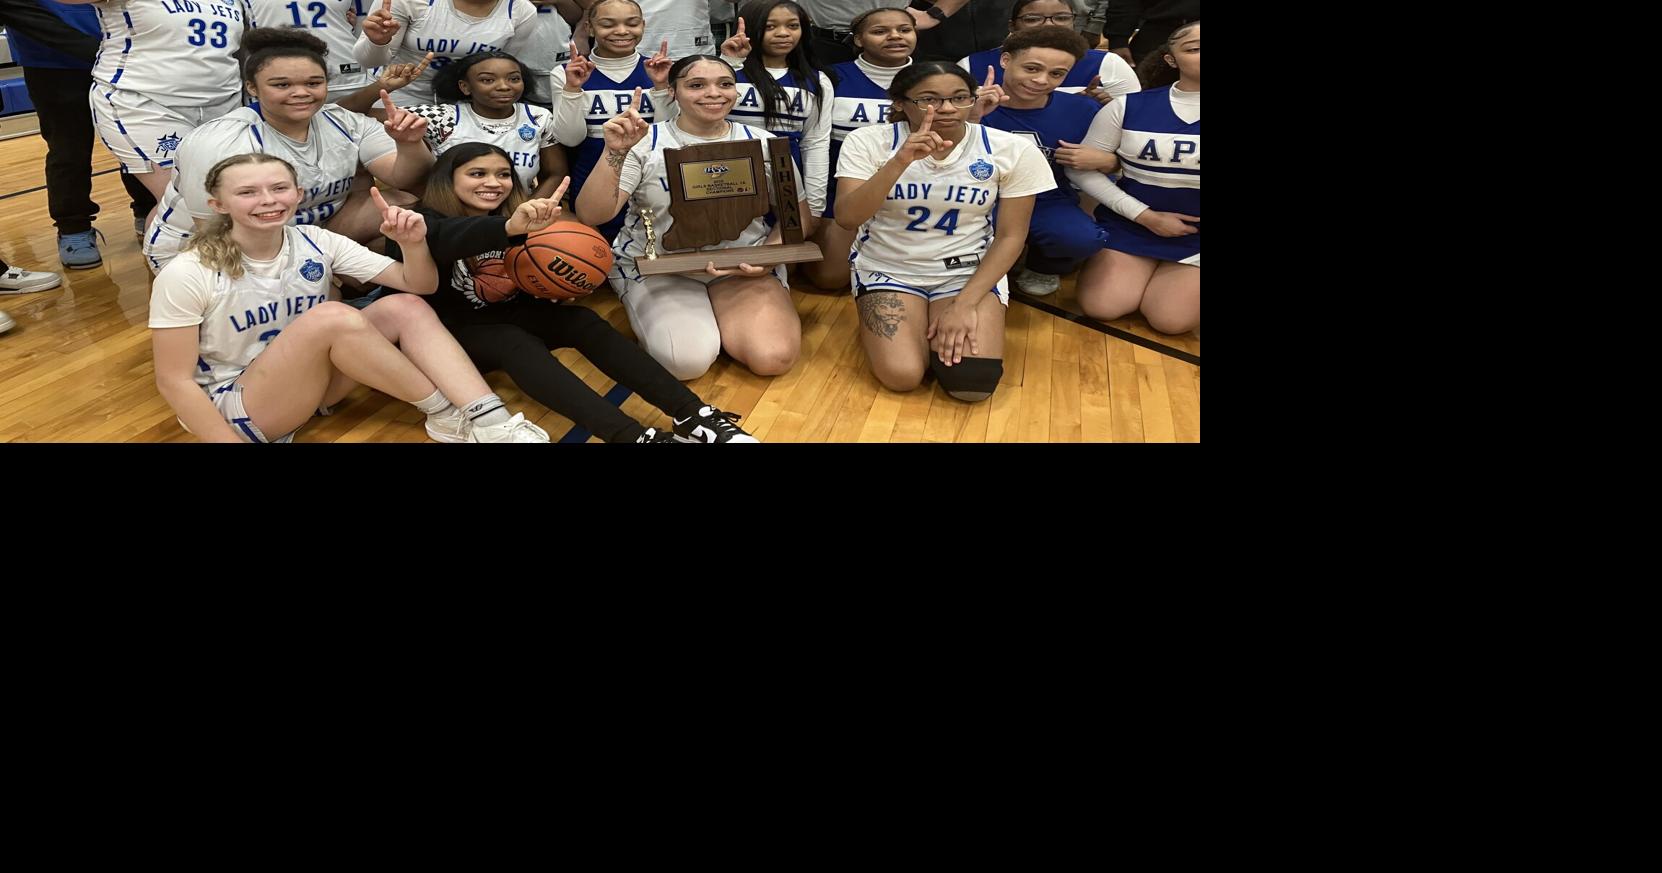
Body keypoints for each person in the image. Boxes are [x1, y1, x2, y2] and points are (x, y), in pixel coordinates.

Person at [150, 152, 551, 442]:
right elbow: (173, 381)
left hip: (311, 381)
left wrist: (412, 244)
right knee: (332, 316)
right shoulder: (188, 272)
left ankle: (491, 419)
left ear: (298, 193)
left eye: (278, 188)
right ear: (218, 205)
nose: (268, 200)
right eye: (248, 193)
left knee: (403, 306)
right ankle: (446, 413)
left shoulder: (314, 240)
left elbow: (419, 285)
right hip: (241, 406)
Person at [392, 143, 759, 441]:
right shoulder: (418, 220)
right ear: (447, 180)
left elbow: (541, 270)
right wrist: (508, 226)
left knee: (582, 320)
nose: (494, 182)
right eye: (477, 174)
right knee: (515, 342)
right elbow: (439, 239)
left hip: (508, 313)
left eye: (503, 174)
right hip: (450, 333)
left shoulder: (519, 214)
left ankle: (693, 416)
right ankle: (630, 436)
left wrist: (560, 280)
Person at [574, 57, 808, 381]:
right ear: (673, 92)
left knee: (773, 358)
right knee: (685, 363)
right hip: (661, 267)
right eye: (696, 85)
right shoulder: (644, 142)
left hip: (740, 268)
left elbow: (797, 219)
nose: (713, 93)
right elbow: (592, 215)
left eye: (725, 84)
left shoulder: (765, 143)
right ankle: (686, 315)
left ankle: (725, 314)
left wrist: (766, 259)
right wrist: (613, 152)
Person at [834, 61, 1053, 399]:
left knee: (971, 385)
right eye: (929, 99)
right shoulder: (867, 141)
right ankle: (904, 326)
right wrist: (900, 161)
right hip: (888, 268)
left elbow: (1011, 236)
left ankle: (936, 320)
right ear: (900, 103)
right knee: (902, 375)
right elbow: (848, 217)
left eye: (959, 97)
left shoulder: (1012, 149)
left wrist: (965, 305)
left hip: (965, 271)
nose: (947, 108)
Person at [142, 28, 438, 273]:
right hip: (203, 250)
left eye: (313, 82)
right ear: (252, 88)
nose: (300, 92)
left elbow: (404, 177)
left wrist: (408, 144)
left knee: (403, 202)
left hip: (294, 234)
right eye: (281, 84)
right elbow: (214, 233)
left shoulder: (345, 122)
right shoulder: (218, 142)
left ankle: (347, 284)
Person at [1064, 21, 1198, 334]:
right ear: (1171, 59)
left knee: (1170, 321)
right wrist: (1145, 216)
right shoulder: (1127, 106)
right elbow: (1078, 168)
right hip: (1134, 223)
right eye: (1195, 48)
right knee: (1102, 307)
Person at [720, 1, 836, 221]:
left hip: (788, 180)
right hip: (726, 175)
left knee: (783, 248)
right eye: (770, 26)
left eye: (793, 26)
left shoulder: (817, 81)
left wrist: (814, 206)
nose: (783, 33)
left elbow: (815, 143)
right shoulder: (727, 71)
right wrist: (730, 61)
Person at [403, 50, 571, 198]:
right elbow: (377, 114)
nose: (504, 86)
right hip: (455, 216)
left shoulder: (538, 117)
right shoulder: (442, 117)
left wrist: (526, 210)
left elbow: (556, 173)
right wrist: (384, 86)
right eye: (488, 80)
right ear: (465, 87)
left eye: (514, 78)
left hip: (519, 211)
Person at [353, 0, 539, 107]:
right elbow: (368, 60)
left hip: (467, 99)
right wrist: (378, 42)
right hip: (399, 91)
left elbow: (503, 68)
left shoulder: (522, 11)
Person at [958, 0, 1138, 104]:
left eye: (1061, 18)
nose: (1049, 25)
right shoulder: (972, 65)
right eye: (1033, 19)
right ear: (1012, 26)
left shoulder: (1108, 63)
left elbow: (1131, 120)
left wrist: (1105, 110)